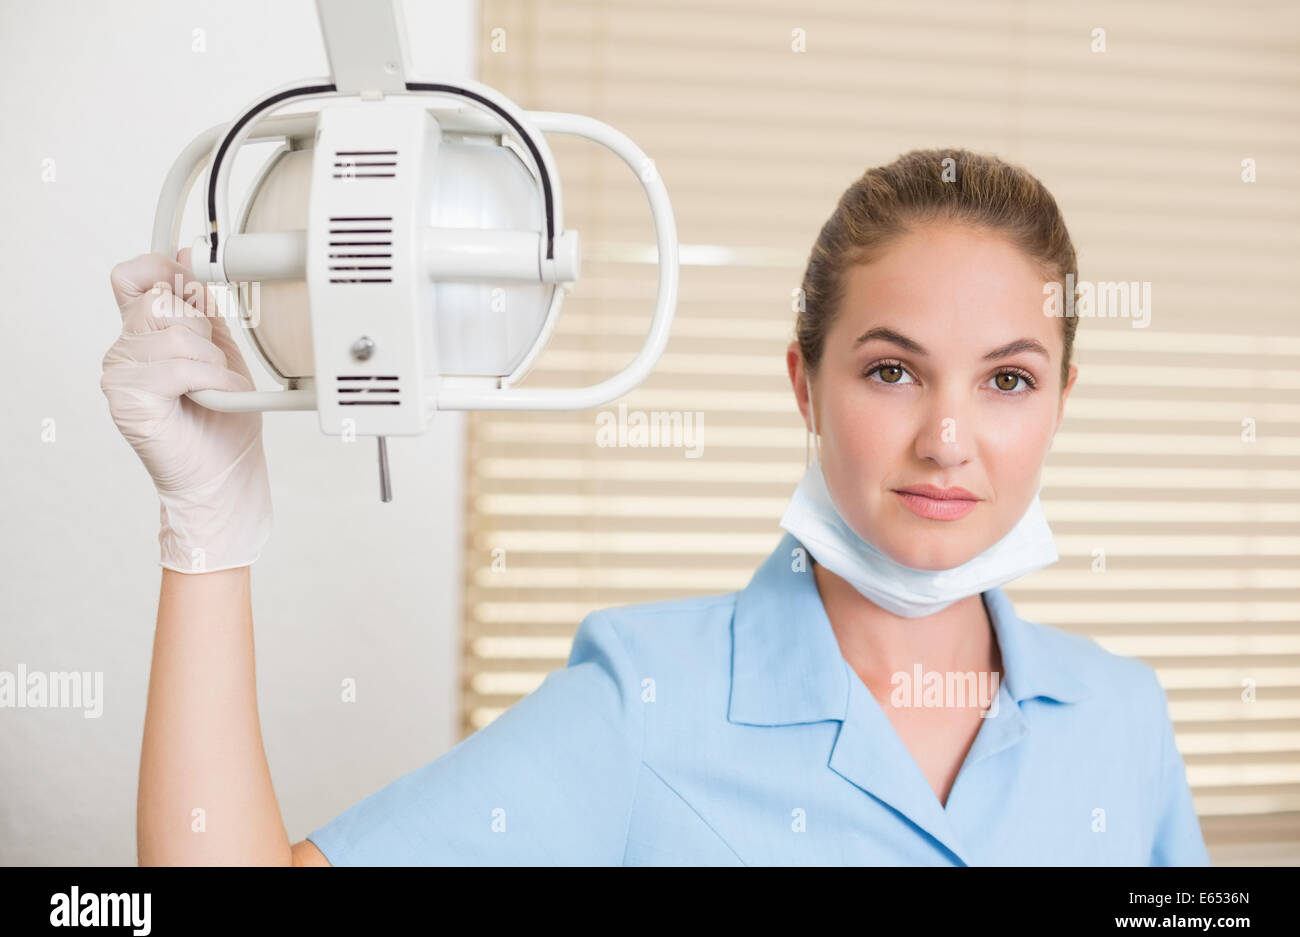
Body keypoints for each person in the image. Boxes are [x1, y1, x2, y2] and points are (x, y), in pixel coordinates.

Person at [102, 148, 1210, 866]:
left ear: (1062, 401)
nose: (948, 438)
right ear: (802, 386)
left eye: (1007, 379)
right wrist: (209, 529)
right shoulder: (645, 705)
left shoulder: (1122, 722)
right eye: (890, 370)